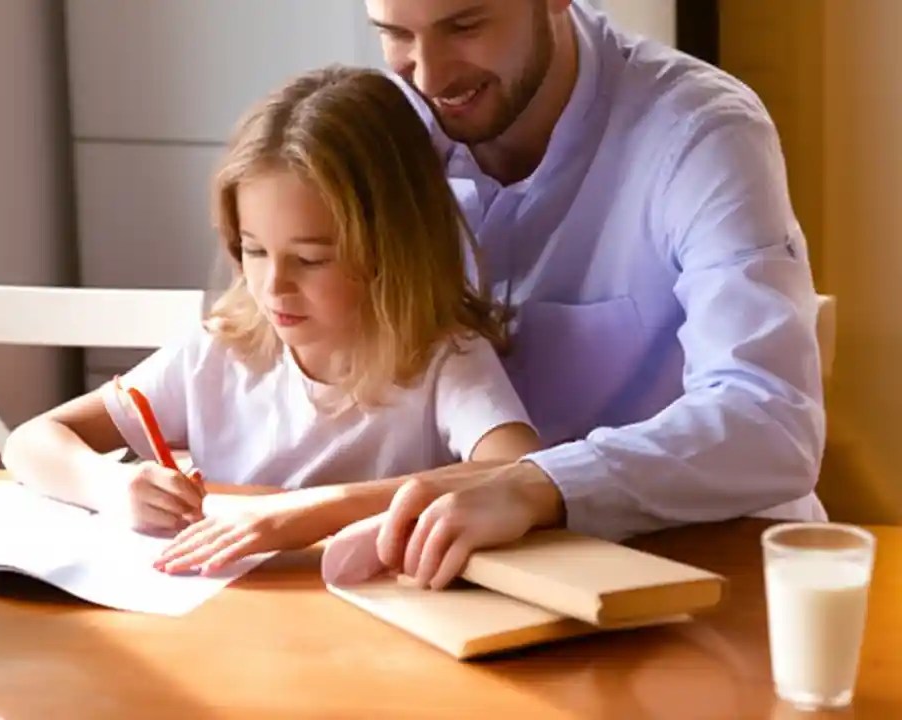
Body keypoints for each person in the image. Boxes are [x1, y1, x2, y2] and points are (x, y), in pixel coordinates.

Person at [332, 0, 827, 590]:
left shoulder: (699, 130)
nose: (430, 78)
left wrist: (534, 485)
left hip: (703, 570)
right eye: (395, 35)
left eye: (464, 27)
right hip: (468, 580)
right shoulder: (390, 127)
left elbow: (771, 421)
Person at [2, 66, 541, 576]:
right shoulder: (221, 351)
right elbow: (30, 441)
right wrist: (110, 485)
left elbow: (522, 469)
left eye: (310, 259)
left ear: (393, 247)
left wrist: (314, 511)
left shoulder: (443, 358)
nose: (273, 286)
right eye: (253, 250)